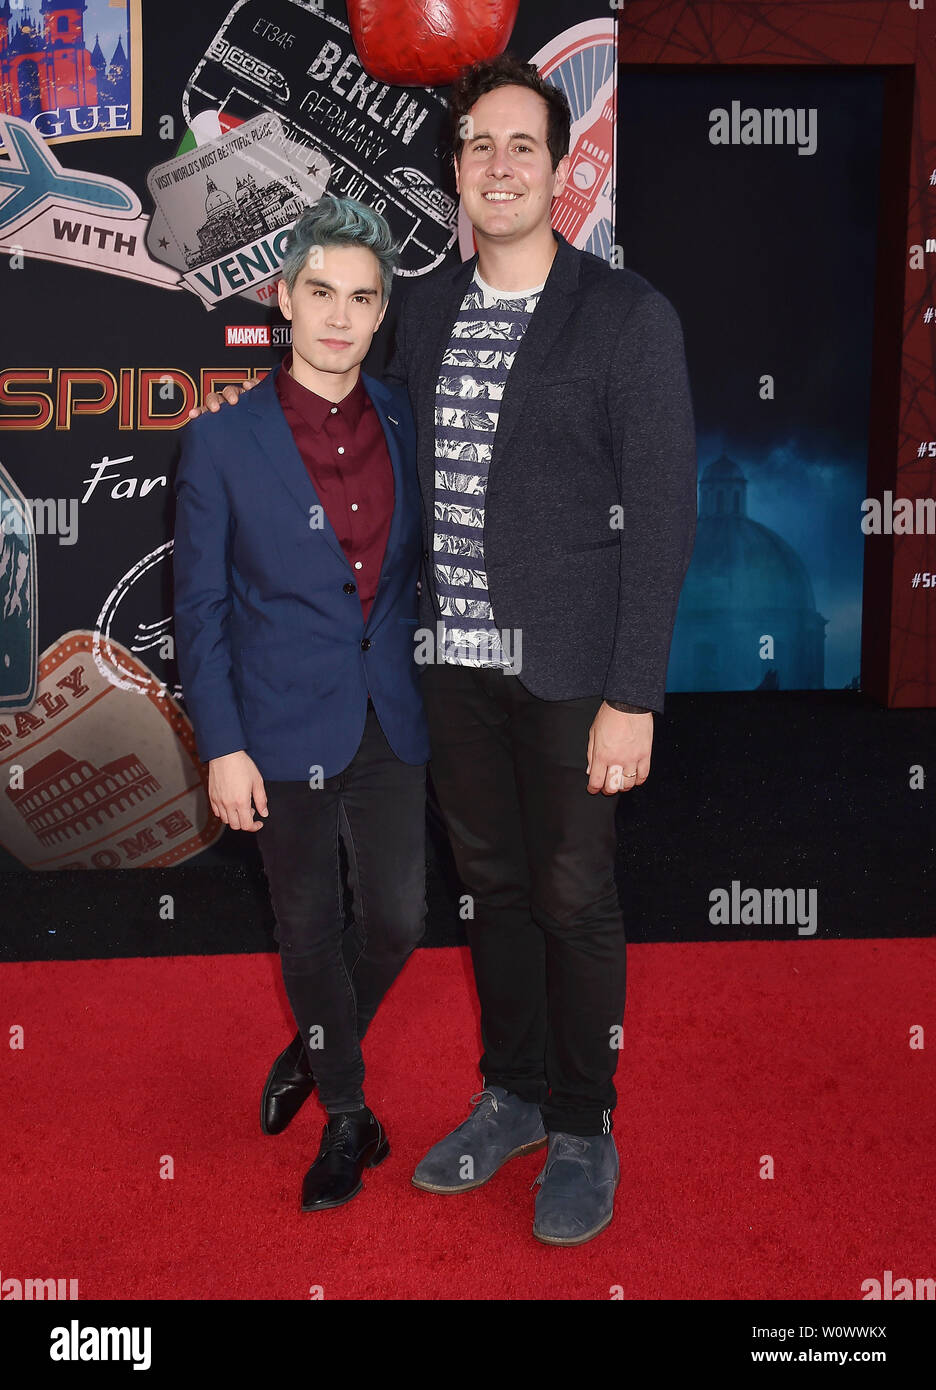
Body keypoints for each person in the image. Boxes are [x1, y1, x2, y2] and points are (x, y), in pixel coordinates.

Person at [194, 53, 697, 1247]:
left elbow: (664, 516)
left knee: (576, 894)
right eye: (479, 146)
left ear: (563, 165)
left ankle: (583, 1121)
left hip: (575, 676)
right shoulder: (419, 308)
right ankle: (513, 1094)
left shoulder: (628, 317)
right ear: (456, 169)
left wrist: (634, 695)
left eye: (524, 144)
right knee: (497, 894)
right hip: (448, 673)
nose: (501, 166)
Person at [173, 196, 429, 1213]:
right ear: (283, 298)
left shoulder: (406, 415)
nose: (339, 316)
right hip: (276, 724)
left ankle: (313, 1043)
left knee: (401, 917)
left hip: (389, 715)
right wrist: (220, 747)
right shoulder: (221, 443)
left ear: (381, 313)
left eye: (361, 298)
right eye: (320, 291)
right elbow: (198, 609)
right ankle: (347, 1114)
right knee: (310, 928)